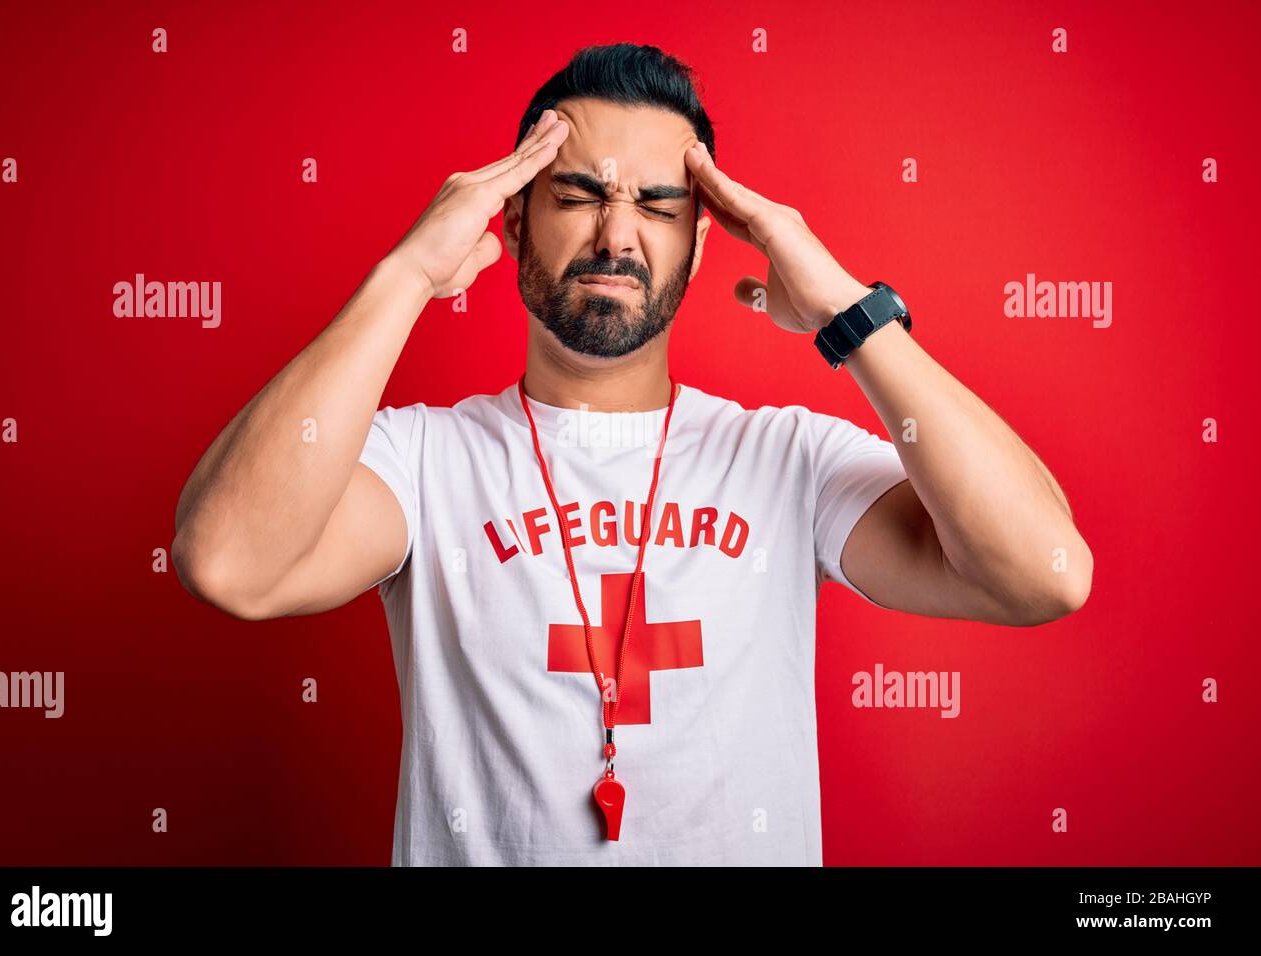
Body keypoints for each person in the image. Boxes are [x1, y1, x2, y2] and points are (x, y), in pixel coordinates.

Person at [171, 43, 1093, 866]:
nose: (616, 236)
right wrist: (407, 275)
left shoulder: (787, 460)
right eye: (576, 195)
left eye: (658, 206)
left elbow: (1042, 575)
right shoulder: (421, 461)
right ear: (514, 221)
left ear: (697, 247)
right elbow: (229, 563)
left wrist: (849, 312)